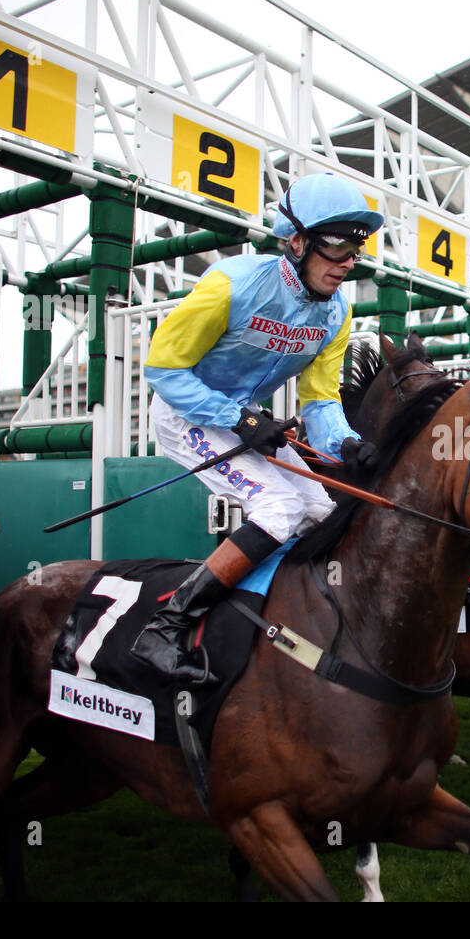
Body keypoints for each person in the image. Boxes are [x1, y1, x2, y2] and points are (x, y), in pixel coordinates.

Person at [130, 172, 383, 682]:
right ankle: (164, 625)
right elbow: (162, 368)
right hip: (188, 414)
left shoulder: (337, 313)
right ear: (295, 241)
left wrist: (347, 442)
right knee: (281, 505)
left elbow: (319, 400)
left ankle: (272, 617)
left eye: (356, 248)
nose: (348, 262)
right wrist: (240, 420)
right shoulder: (232, 284)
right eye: (336, 246)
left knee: (318, 509)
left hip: (244, 420)